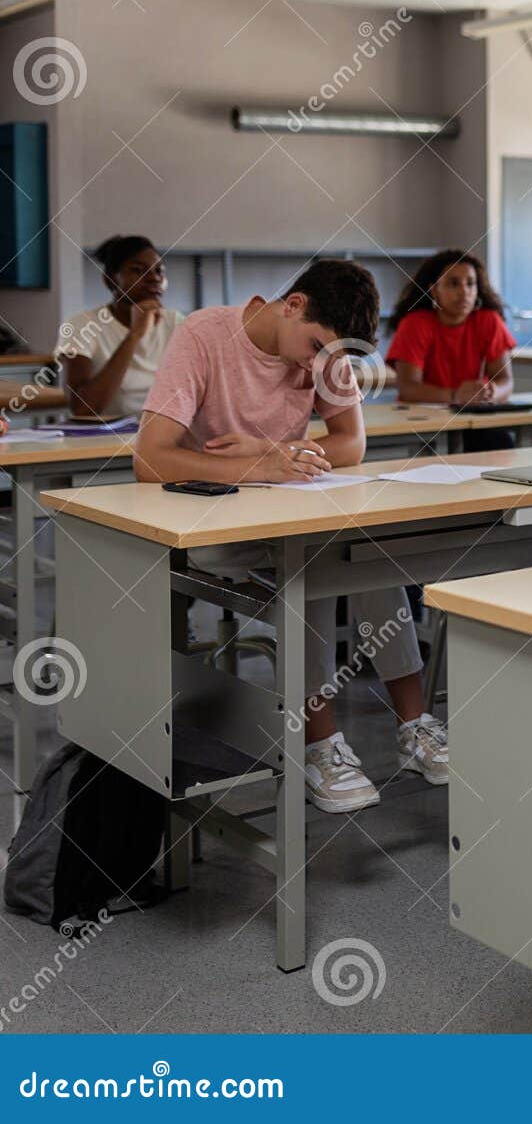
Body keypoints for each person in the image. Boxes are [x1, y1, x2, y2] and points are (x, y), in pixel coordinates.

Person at [135, 260, 448, 814]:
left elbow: (352, 444)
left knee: (362, 549)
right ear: (294, 304)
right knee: (315, 565)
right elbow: (150, 456)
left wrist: (266, 456)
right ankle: (320, 744)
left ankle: (415, 727)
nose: (317, 367)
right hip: (217, 527)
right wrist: (262, 466)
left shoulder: (327, 351)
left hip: (291, 514)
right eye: (314, 348)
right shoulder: (204, 337)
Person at [386, 249, 517, 451]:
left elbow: (506, 381)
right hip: (423, 422)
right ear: (434, 289)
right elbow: (408, 387)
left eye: (470, 284)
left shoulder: (489, 320)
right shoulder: (415, 324)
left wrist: (492, 392)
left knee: (501, 444)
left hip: (473, 418)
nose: (464, 291)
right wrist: (456, 396)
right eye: (453, 283)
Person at [56, 235, 184, 419]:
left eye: (159, 271)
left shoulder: (176, 323)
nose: (154, 278)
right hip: (105, 439)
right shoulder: (81, 325)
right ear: (110, 280)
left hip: (164, 434)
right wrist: (135, 335)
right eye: (138, 270)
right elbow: (82, 408)